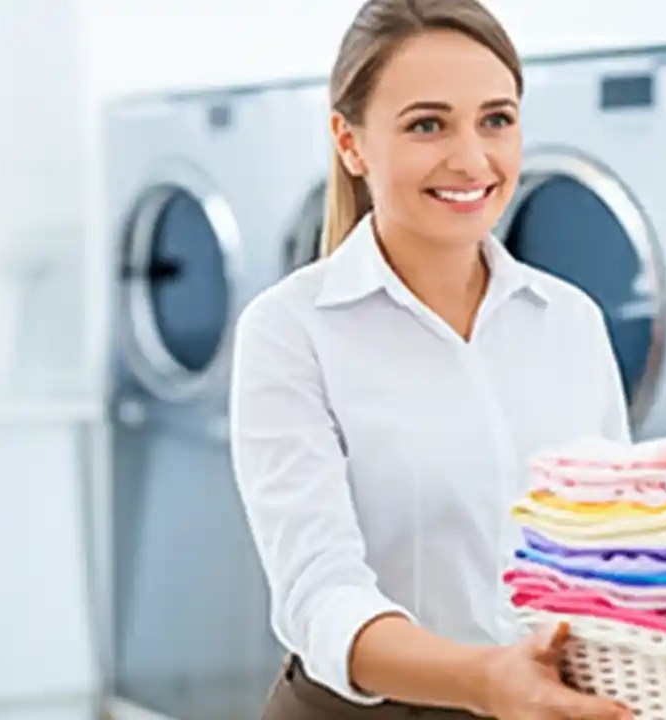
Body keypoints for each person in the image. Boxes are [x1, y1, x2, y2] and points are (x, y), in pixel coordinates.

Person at [229, 1, 634, 718]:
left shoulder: (570, 322)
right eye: (427, 124)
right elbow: (320, 594)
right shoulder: (291, 332)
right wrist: (486, 680)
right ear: (350, 143)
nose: (472, 160)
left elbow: (617, 547)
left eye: (496, 120)